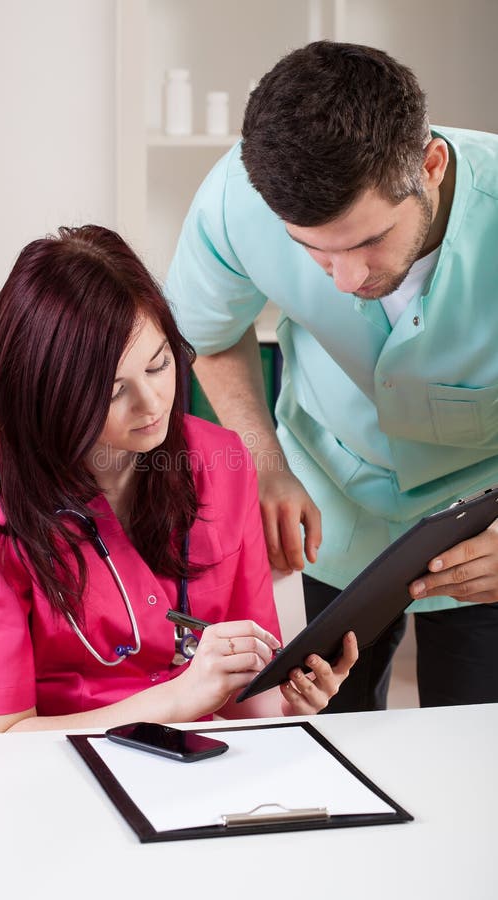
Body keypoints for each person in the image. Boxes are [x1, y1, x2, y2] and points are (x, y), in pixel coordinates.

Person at [165, 41, 498, 711]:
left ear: (428, 167)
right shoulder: (236, 197)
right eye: (310, 250)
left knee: (476, 739)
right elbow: (208, 335)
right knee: (331, 732)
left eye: (366, 241)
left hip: (483, 510)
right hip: (335, 491)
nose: (347, 280)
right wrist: (265, 463)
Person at [0, 225, 357, 734]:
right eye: (113, 392)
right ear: (49, 394)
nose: (153, 405)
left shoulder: (222, 464)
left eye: (158, 366)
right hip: (60, 781)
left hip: (201, 770)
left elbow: (246, 696)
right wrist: (176, 700)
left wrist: (291, 700)